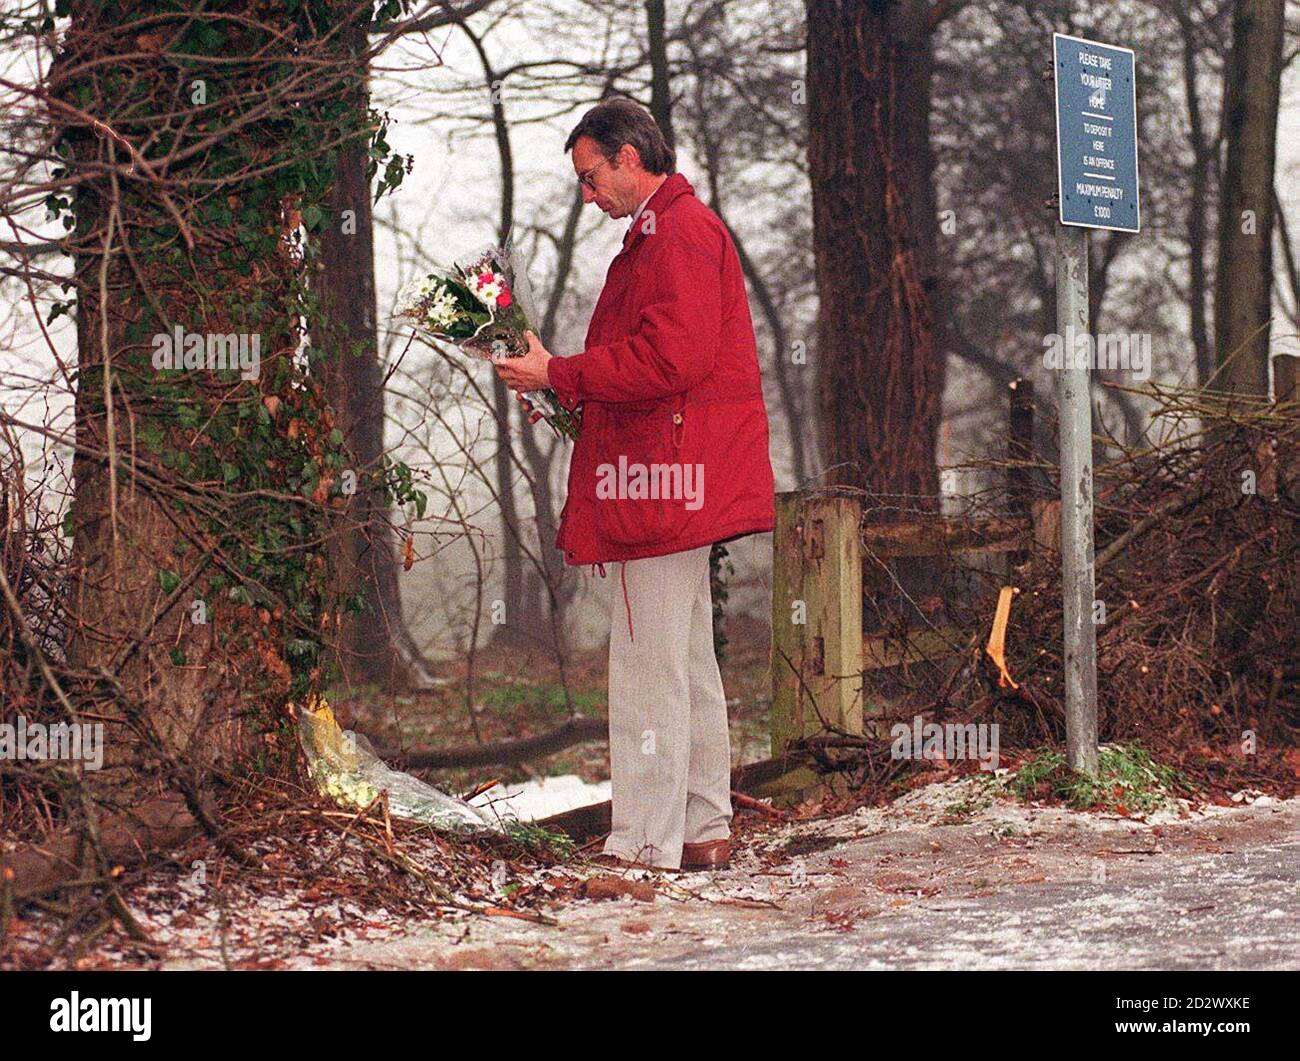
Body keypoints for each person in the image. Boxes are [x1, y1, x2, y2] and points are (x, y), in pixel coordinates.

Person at [493, 97, 774, 870]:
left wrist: (562, 372)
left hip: (658, 482)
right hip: (677, 475)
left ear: (628, 156)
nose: (588, 196)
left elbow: (669, 360)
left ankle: (644, 844)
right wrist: (561, 383)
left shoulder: (676, 235)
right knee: (685, 659)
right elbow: (659, 364)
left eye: (590, 177)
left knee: (649, 666)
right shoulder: (671, 232)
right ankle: (703, 825)